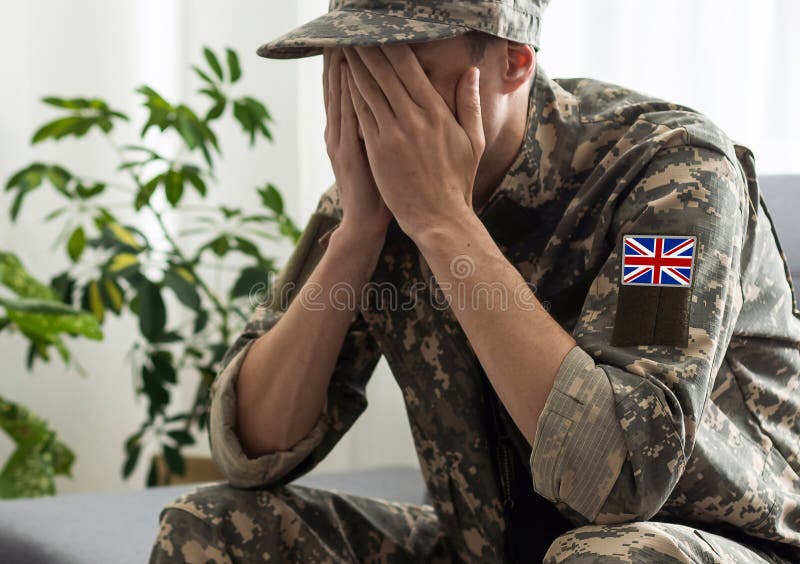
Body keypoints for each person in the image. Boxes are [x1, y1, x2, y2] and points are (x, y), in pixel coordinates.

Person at [149, 1, 800, 562]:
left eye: (407, 75)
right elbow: (251, 451)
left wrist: (442, 221)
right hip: (490, 547)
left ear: (514, 61)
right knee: (213, 527)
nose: (382, 114)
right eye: (357, 73)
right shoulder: (369, 199)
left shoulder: (669, 171)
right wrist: (356, 236)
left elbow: (623, 479)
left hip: (714, 545)